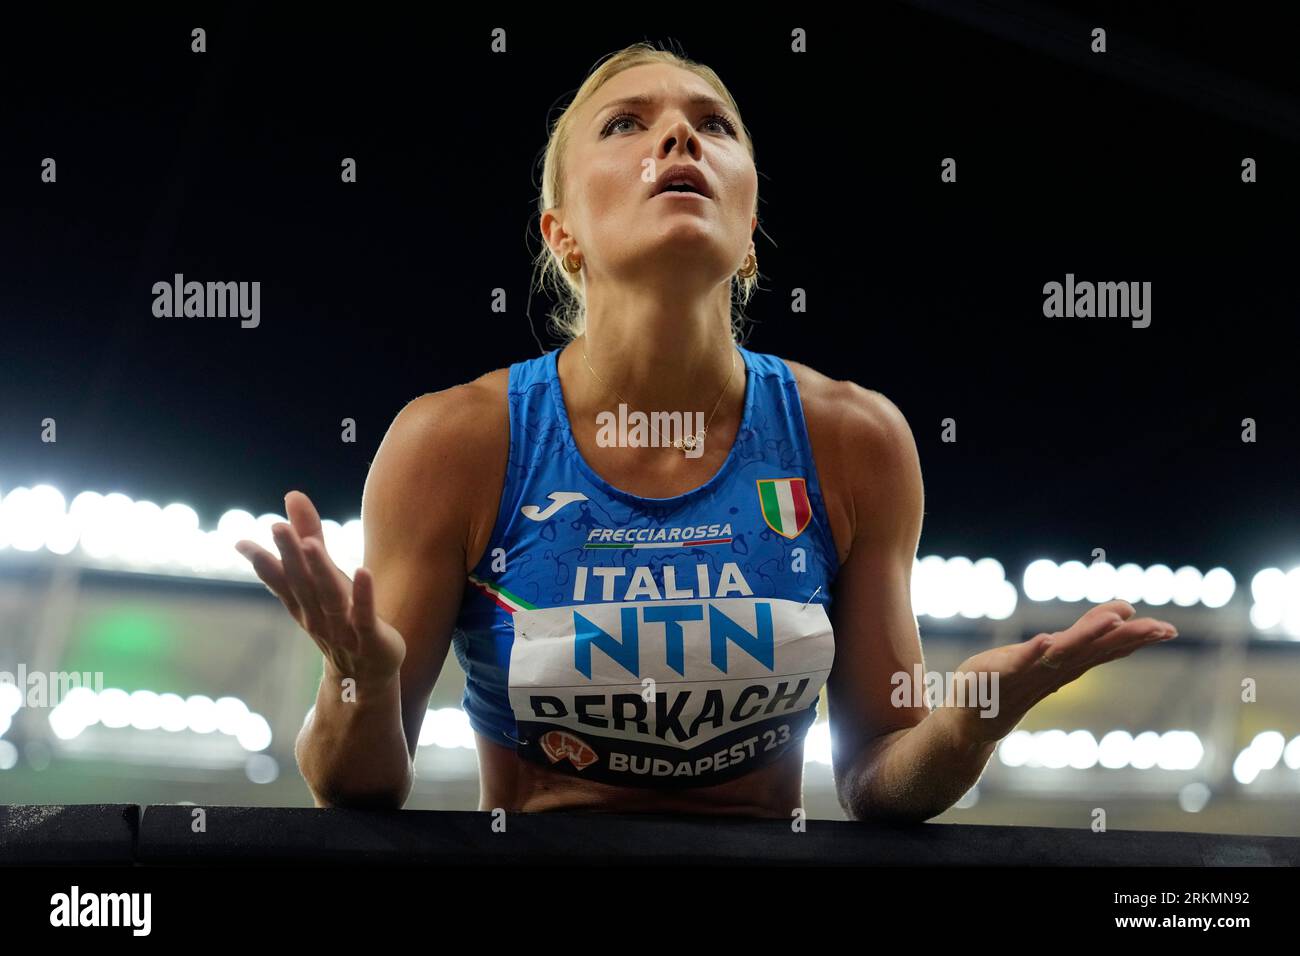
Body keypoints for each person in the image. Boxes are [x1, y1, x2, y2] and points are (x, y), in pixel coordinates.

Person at [234, 43, 1177, 819]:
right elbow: (357, 784)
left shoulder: (853, 440)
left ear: (750, 220)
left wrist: (969, 723)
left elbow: (878, 779)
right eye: (626, 124)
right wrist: (356, 680)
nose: (680, 133)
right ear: (561, 231)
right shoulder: (459, 443)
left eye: (713, 124)